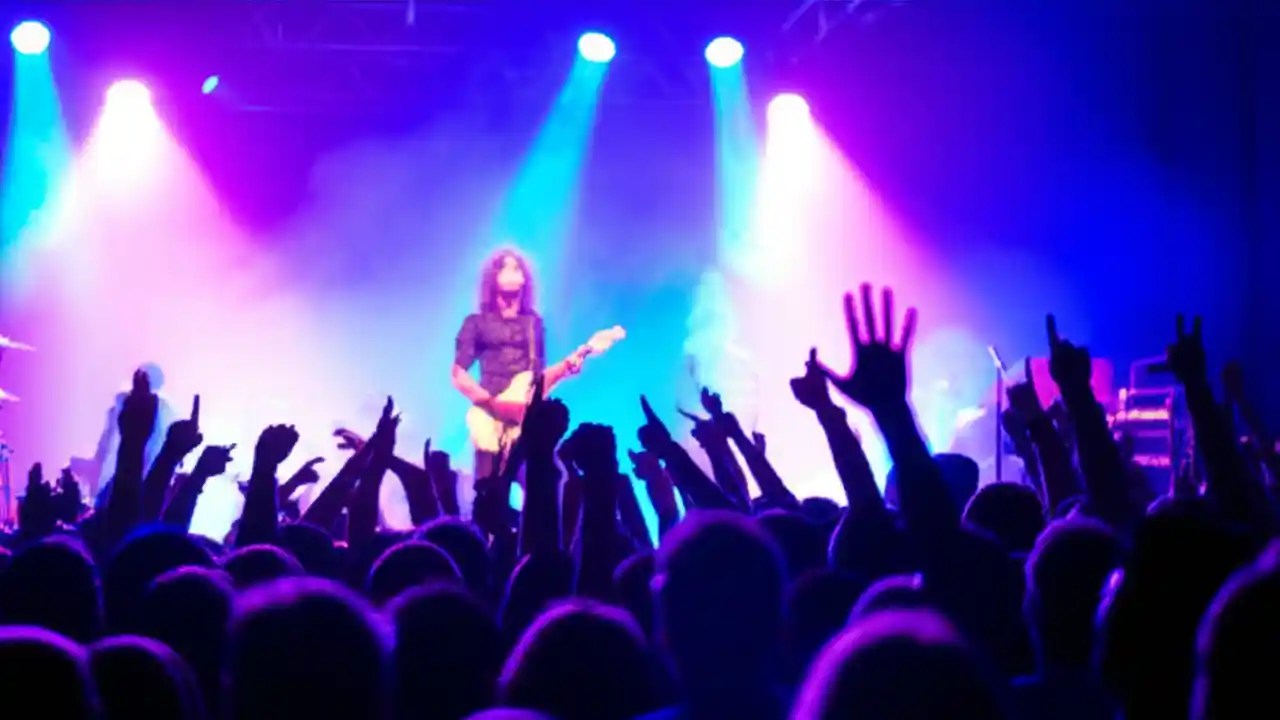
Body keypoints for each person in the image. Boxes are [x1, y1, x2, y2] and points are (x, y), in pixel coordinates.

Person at [452, 249, 580, 488]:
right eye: (505, 267)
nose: (512, 273)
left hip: (528, 418)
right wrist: (492, 404)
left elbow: (537, 379)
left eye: (517, 268)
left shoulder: (534, 324)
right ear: (493, 277)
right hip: (490, 417)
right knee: (489, 489)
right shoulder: (476, 323)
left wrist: (564, 369)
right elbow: (459, 375)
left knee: (546, 483)